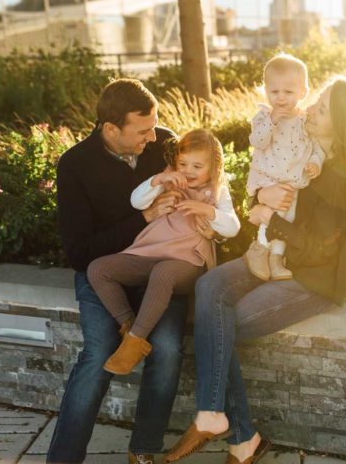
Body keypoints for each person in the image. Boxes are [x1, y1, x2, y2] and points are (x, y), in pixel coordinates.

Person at [165, 76, 346, 464]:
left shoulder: (343, 178)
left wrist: (271, 216)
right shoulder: (312, 150)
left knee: (222, 324)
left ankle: (225, 424)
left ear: (344, 122)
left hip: (313, 278)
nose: (311, 110)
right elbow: (270, 174)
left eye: (322, 108)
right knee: (210, 287)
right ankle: (232, 429)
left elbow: (317, 249)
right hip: (277, 257)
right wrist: (258, 195)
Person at [50, 78, 188, 464]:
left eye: (154, 125)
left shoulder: (163, 144)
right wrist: (142, 218)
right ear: (111, 128)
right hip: (100, 273)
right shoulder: (75, 165)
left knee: (168, 349)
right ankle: (62, 459)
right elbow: (80, 253)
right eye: (142, 131)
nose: (153, 136)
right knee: (98, 353)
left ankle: (143, 450)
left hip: (158, 271)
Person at [87, 129, 240, 376]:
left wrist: (207, 211)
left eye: (197, 166)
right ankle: (130, 331)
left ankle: (137, 337)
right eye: (183, 164)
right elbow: (137, 202)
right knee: (99, 269)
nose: (188, 171)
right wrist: (157, 181)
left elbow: (232, 227)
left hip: (187, 262)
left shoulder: (216, 191)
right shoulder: (169, 179)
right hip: (150, 252)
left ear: (213, 168)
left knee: (164, 272)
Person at [243, 53, 324, 281]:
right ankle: (259, 248)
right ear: (265, 91)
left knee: (285, 220)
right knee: (274, 212)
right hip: (269, 178)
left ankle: (276, 258)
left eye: (288, 92)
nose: (280, 99)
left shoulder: (304, 119)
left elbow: (316, 146)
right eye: (274, 92)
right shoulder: (263, 116)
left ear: (303, 93)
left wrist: (315, 163)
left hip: (292, 182)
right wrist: (272, 121)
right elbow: (258, 141)